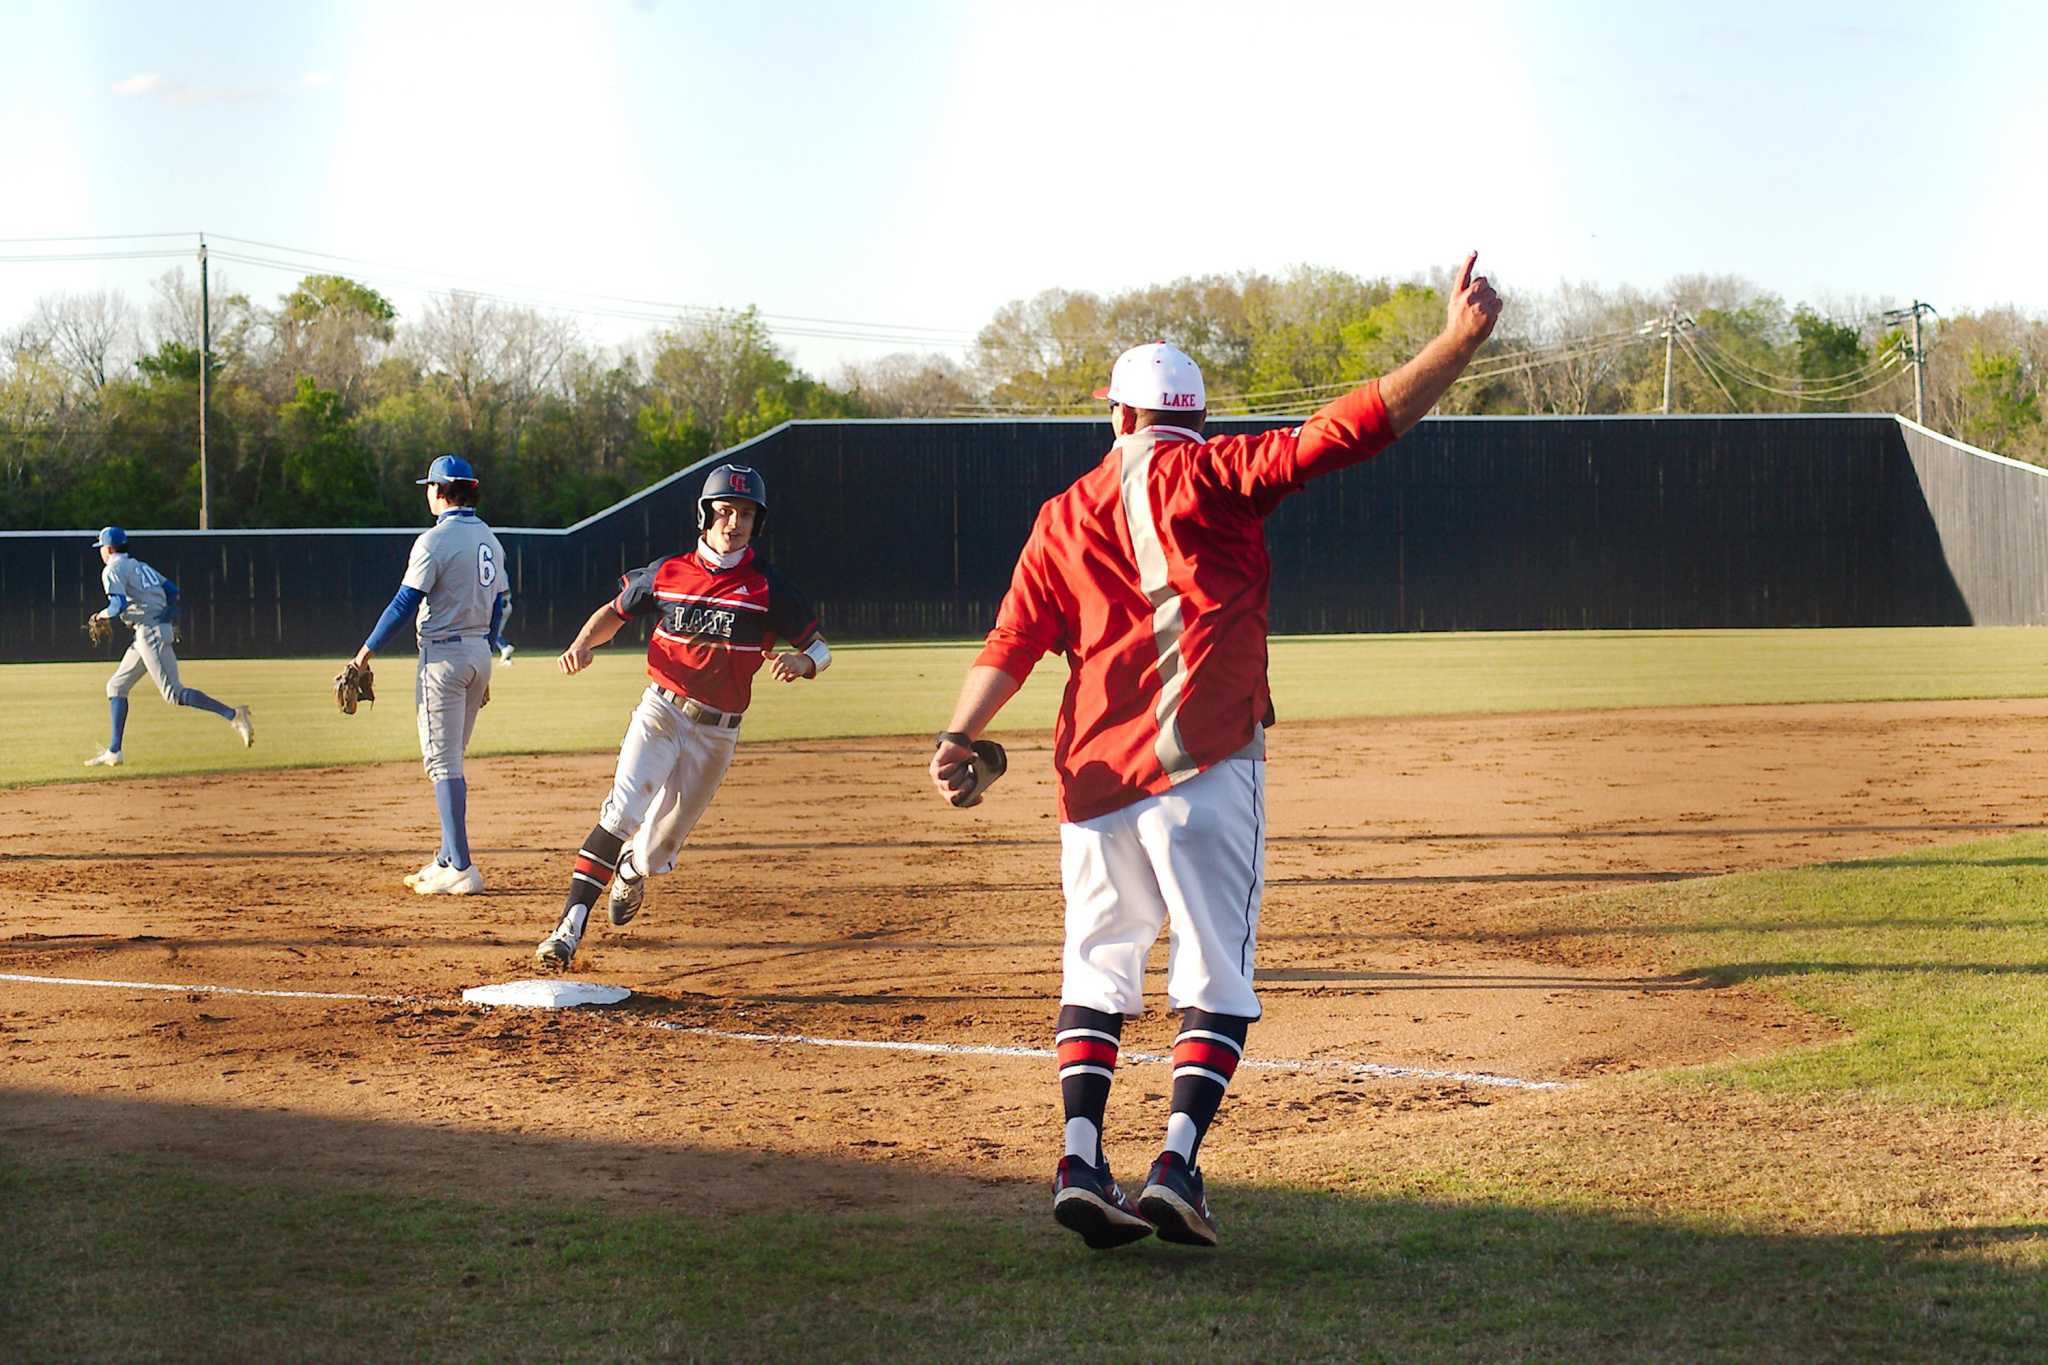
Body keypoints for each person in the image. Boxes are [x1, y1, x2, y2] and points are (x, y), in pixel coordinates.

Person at [929, 253, 1503, 1250]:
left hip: (1091, 778)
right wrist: (1453, 344)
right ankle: (1176, 1165)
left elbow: (1010, 643)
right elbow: (1347, 430)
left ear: (1116, 418)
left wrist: (956, 738)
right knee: (1212, 975)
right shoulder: (1216, 470)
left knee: (1097, 967)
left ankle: (1076, 1157)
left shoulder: (1061, 514)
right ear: (1193, 417)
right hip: (1201, 764)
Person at [534, 463, 830, 971]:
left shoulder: (767, 587)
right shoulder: (668, 571)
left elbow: (820, 648)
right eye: (724, 511)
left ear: (757, 523)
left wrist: (805, 662)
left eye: (744, 514)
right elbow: (615, 611)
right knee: (622, 811)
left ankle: (634, 869)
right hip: (662, 711)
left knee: (656, 849)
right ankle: (567, 928)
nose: (733, 522)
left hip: (718, 733)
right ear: (705, 515)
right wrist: (584, 642)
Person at [348, 455, 509, 896]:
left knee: (443, 764)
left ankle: (461, 865)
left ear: (440, 491)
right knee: (452, 759)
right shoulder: (490, 539)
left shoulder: (434, 540)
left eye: (429, 487)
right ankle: (445, 856)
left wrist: (364, 655)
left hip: (443, 658)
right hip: (478, 653)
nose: (427, 493)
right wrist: (487, 652)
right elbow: (501, 604)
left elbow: (403, 603)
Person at [83, 526, 255, 766]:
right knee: (116, 686)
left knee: (174, 693)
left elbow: (118, 604)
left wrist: (101, 616)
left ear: (109, 549)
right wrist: (168, 615)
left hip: (149, 633)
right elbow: (173, 591)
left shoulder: (112, 569)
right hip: (148, 631)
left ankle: (233, 715)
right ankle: (114, 751)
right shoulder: (140, 566)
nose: (100, 551)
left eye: (101, 547)